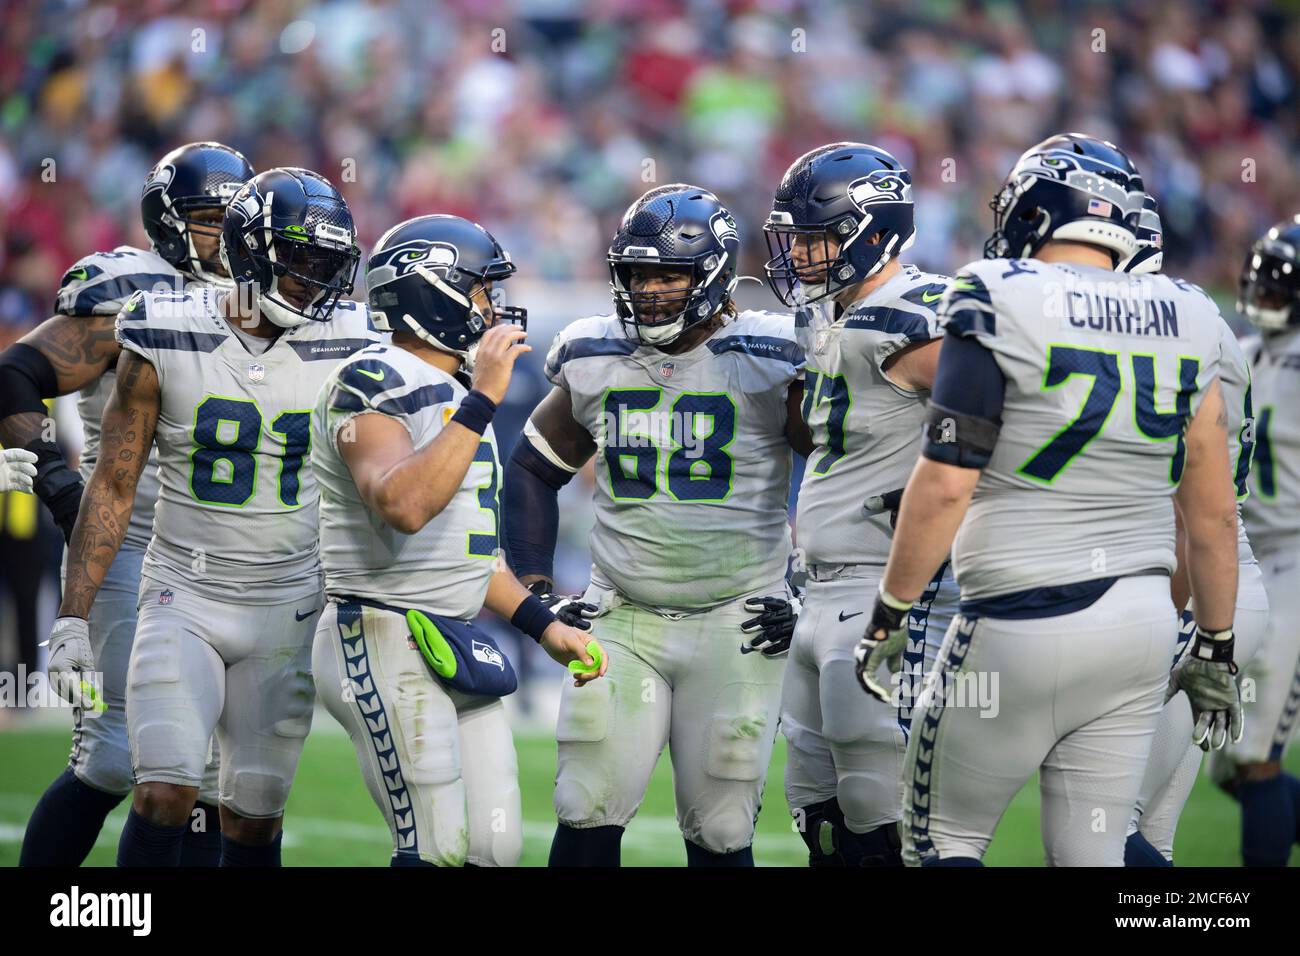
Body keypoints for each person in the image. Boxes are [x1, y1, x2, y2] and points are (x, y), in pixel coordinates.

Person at [856, 134, 1241, 866]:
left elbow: (946, 479)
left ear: (1034, 211)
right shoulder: (1188, 312)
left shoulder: (995, 291)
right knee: (1093, 857)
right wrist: (1217, 643)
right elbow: (1213, 513)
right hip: (1139, 621)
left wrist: (889, 613)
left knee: (943, 843)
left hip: (1018, 616)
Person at [51, 166, 379, 866]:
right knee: (164, 789)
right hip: (183, 593)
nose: (315, 279)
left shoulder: (354, 339)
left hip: (289, 601)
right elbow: (113, 483)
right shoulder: (164, 331)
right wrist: (74, 615)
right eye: (300, 259)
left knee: (251, 818)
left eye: (328, 263)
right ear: (251, 252)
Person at [504, 184, 808, 866]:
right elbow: (531, 470)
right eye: (638, 274)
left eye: (669, 274)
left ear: (715, 274)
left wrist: (809, 588)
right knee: (584, 807)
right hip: (623, 616)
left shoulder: (771, 355)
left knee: (722, 829)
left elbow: (846, 471)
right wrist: (536, 588)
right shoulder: (594, 354)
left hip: (738, 620)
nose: (650, 290)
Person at [311, 214, 605, 866]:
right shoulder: (372, 378)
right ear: (433, 292)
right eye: (480, 291)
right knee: (435, 850)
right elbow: (404, 505)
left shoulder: (451, 393)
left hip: (452, 634)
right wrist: (482, 402)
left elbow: (466, 551)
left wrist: (540, 624)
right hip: (381, 633)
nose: (492, 308)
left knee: (495, 849)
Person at [0, 142, 253, 866]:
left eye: (237, 217)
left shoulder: (262, 297)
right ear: (169, 221)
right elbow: (16, 374)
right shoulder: (134, 288)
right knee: (113, 757)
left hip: (226, 553)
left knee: (206, 773)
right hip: (132, 544)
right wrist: (58, 487)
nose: (226, 234)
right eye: (210, 219)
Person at [762, 142, 958, 866]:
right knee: (818, 818)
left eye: (817, 239)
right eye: (798, 240)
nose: (802, 257)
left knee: (880, 822)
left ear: (873, 230)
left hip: (884, 590)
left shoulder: (916, 314)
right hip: (818, 588)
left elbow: (995, 428)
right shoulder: (827, 320)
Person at [1120, 194, 1269, 866]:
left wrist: (1181, 619)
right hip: (1225, 575)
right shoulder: (1197, 313)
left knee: (1104, 834)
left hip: (1195, 580)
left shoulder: (1154, 327)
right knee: (1148, 837)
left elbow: (1195, 508)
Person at [1225, 214, 1300, 866]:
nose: (1265, 296)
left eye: (1279, 287)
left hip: (1297, 563)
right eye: (1261, 283)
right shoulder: (1244, 352)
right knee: (1225, 754)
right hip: (1244, 557)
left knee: (1255, 757)